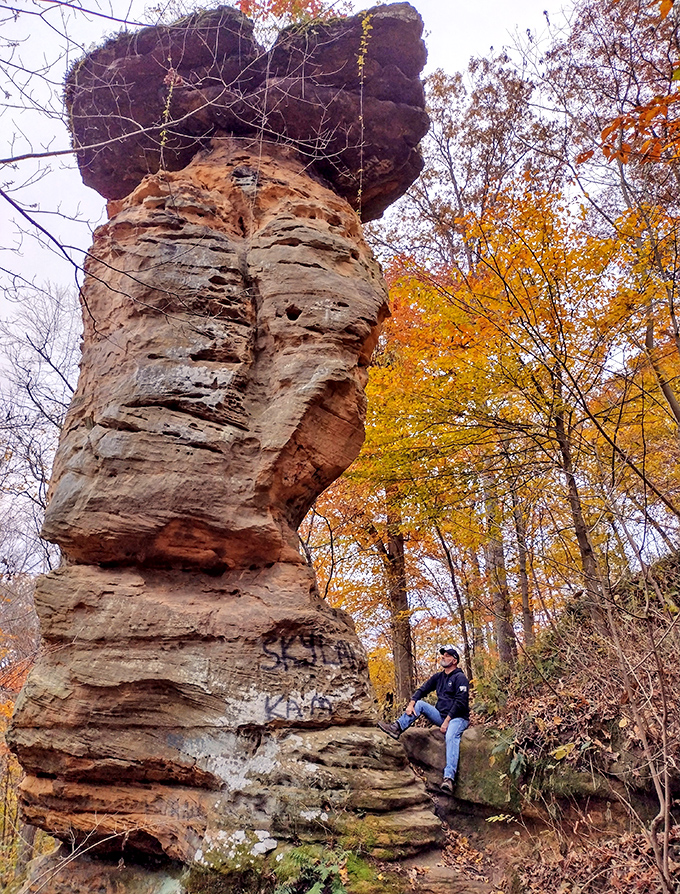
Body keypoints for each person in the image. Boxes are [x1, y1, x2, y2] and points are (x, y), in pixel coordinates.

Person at [378, 646, 470, 794]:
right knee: (420, 704)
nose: (443, 658)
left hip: (457, 718)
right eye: (442, 656)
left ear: (454, 660)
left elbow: (461, 703)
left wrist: (447, 721)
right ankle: (396, 728)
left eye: (447, 656)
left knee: (451, 736)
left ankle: (448, 778)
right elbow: (423, 690)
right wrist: (411, 703)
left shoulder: (460, 678)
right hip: (440, 715)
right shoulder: (439, 677)